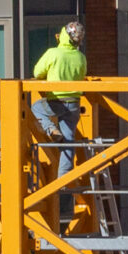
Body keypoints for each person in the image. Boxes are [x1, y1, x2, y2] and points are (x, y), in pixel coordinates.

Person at [30, 21, 88, 194]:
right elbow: (83, 74)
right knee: (69, 142)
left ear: (64, 35)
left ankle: (50, 129)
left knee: (36, 108)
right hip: (74, 103)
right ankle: (62, 179)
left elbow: (37, 73)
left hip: (56, 100)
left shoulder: (53, 53)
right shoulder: (80, 57)